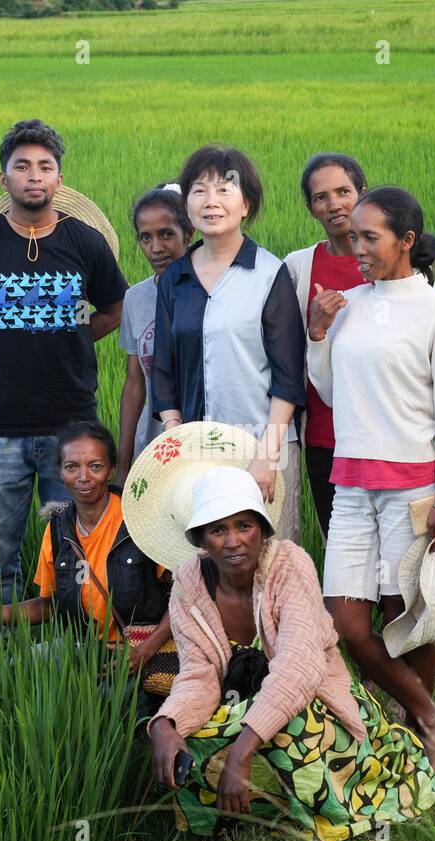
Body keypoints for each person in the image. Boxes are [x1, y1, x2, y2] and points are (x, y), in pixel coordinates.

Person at [143, 465, 435, 841]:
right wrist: (165, 725)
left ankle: (310, 794)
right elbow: (197, 675)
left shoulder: (289, 564)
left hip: (315, 703)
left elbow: (298, 669)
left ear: (263, 530)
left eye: (244, 526)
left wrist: (241, 752)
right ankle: (262, 797)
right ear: (202, 538)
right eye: (218, 530)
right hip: (242, 705)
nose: (233, 541)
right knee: (188, 742)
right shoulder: (189, 583)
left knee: (290, 730)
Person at [0, 119, 129, 616]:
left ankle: (68, 639)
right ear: (4, 180)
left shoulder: (85, 243)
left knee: (74, 548)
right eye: (22, 166)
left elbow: (116, 308)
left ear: (60, 180)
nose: (34, 176)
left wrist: (71, 337)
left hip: (70, 427)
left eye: (46, 167)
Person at [305, 186, 435, 757]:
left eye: (371, 237)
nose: (358, 247)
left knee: (406, 614)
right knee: (346, 622)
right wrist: (318, 335)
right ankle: (430, 713)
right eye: (355, 238)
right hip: (350, 485)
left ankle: (420, 728)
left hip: (412, 488)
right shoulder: (348, 303)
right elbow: (328, 390)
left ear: (407, 241)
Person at [0, 421, 174, 685]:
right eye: (72, 467)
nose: (83, 477)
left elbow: (184, 596)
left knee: (117, 709)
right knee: (6, 676)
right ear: (60, 472)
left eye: (95, 466)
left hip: (145, 652)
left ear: (110, 470)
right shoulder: (58, 529)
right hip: (89, 648)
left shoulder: (139, 521)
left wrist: (146, 649)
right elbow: (49, 606)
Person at [150, 144, 308, 544]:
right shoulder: (175, 279)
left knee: (271, 564)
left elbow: (288, 376)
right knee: (205, 567)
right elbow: (164, 370)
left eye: (225, 190)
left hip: (262, 443)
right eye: (199, 190)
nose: (211, 201)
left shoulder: (270, 274)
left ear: (246, 205)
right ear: (186, 204)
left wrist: (267, 456)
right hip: (196, 451)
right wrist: (177, 439)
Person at [281, 153, 369, 542]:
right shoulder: (298, 267)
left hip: (386, 439)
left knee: (396, 560)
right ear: (311, 208)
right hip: (325, 437)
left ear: (363, 194)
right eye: (321, 197)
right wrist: (314, 328)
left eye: (343, 191)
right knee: (342, 551)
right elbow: (280, 352)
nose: (334, 204)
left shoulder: (398, 265)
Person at [118, 183, 194, 470]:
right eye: (145, 238)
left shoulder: (214, 293)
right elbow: (135, 384)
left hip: (204, 445)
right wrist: (124, 467)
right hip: (152, 450)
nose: (156, 248)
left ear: (189, 234)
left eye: (166, 234)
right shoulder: (136, 298)